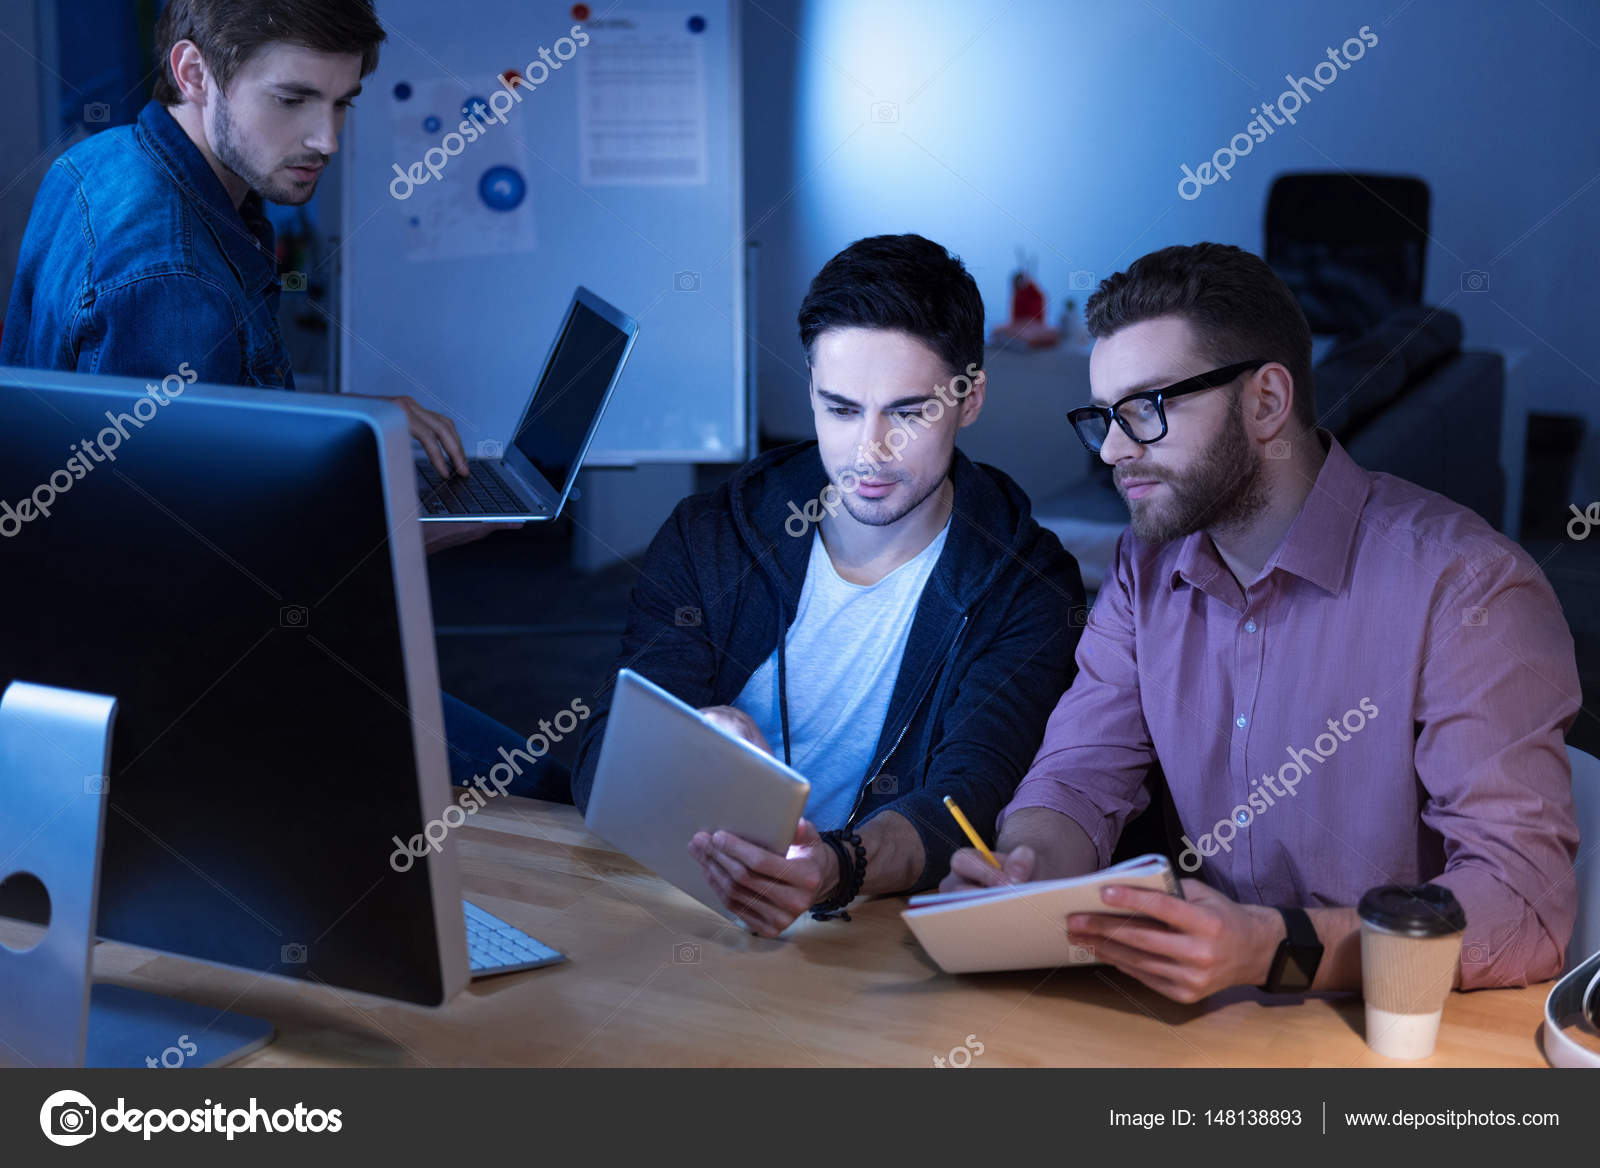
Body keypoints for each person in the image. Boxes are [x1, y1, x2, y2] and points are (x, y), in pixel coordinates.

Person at [941, 241, 1581, 1000]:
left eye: (1147, 409)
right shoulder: (1142, 571)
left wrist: (1279, 951)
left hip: (1394, 1044)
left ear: (1267, 403)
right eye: (1104, 416)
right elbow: (1078, 779)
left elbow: (1524, 908)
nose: (1113, 450)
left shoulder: (1467, 585)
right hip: (1206, 1027)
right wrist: (1022, 875)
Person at [1, 0, 541, 791]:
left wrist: (351, 420)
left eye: (341, 102)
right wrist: (391, 537)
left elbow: (189, 446)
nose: (326, 138)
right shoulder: (177, 279)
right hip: (175, 711)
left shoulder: (100, 162)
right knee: (542, 791)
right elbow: (192, 596)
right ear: (194, 74)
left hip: (68, 648)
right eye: (292, 100)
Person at [569, 233, 1087, 937]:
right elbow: (600, 753)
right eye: (841, 410)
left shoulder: (1026, 585)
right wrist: (691, 739)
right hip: (676, 900)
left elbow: (967, 803)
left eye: (908, 413)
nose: (869, 452)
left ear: (970, 400)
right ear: (810, 390)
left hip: (868, 935)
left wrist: (837, 867)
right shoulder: (714, 530)